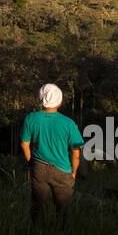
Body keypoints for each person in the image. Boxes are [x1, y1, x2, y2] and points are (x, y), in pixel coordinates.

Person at [19, 83, 83, 225]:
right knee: (64, 211)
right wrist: (73, 172)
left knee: (38, 208)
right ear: (59, 100)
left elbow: (24, 145)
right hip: (63, 171)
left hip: (39, 168)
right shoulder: (68, 123)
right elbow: (76, 151)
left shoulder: (31, 118)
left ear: (41, 98)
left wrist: (31, 163)